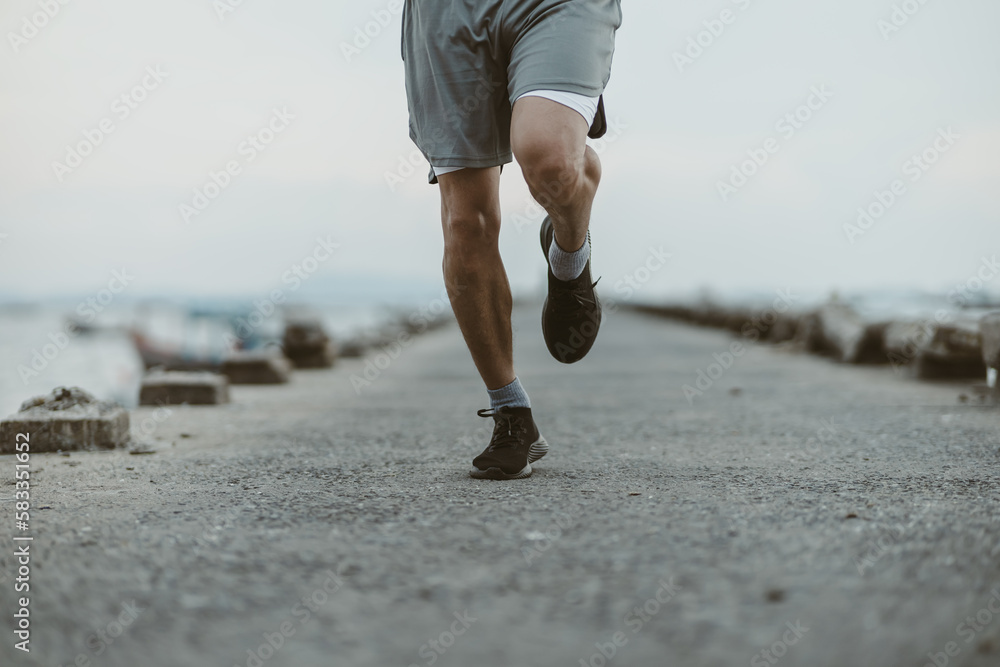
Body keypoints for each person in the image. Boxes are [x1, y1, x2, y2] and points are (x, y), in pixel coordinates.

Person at [401, 0, 623, 479]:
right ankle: (511, 412)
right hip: (446, 14)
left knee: (552, 160)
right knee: (467, 222)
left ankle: (569, 259)